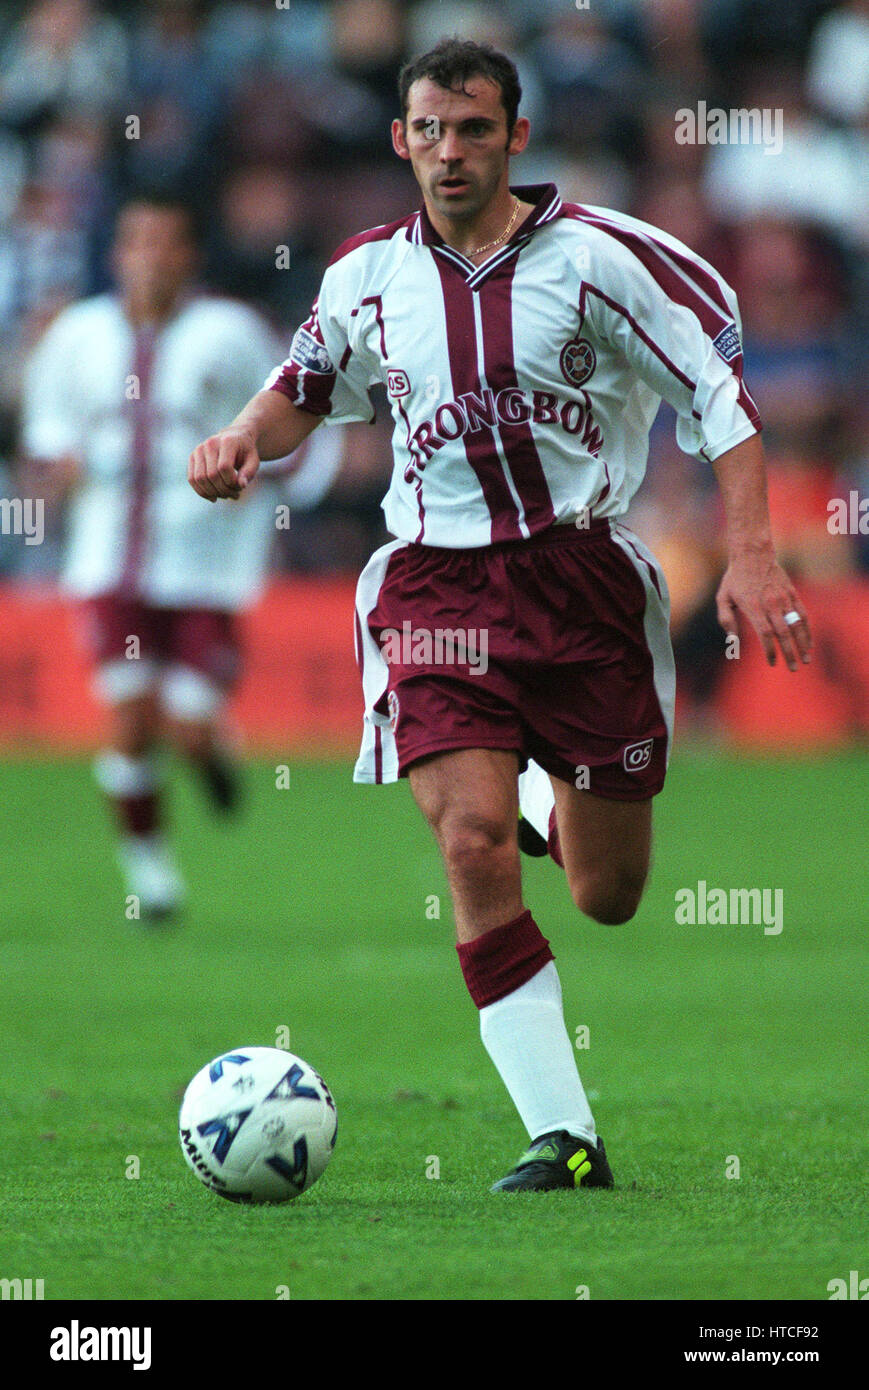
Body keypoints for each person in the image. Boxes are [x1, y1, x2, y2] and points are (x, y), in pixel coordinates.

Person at [188, 39, 812, 1192]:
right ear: (399, 141)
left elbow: (719, 402)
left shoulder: (603, 260)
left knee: (605, 895)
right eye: (429, 130)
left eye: (474, 129)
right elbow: (303, 393)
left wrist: (752, 557)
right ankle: (563, 1137)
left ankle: (541, 788)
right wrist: (240, 436)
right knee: (468, 846)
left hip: (579, 589)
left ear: (515, 137)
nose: (450, 150)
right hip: (435, 585)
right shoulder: (364, 277)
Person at [21, 191, 341, 920]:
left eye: (165, 243)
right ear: (116, 253)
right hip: (108, 560)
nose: (149, 258)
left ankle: (208, 756)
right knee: (130, 719)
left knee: (191, 727)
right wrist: (57, 471)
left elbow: (290, 421)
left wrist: (262, 473)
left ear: (190, 256)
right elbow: (45, 439)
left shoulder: (230, 334)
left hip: (207, 564)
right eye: (136, 242)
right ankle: (153, 880)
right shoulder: (77, 336)